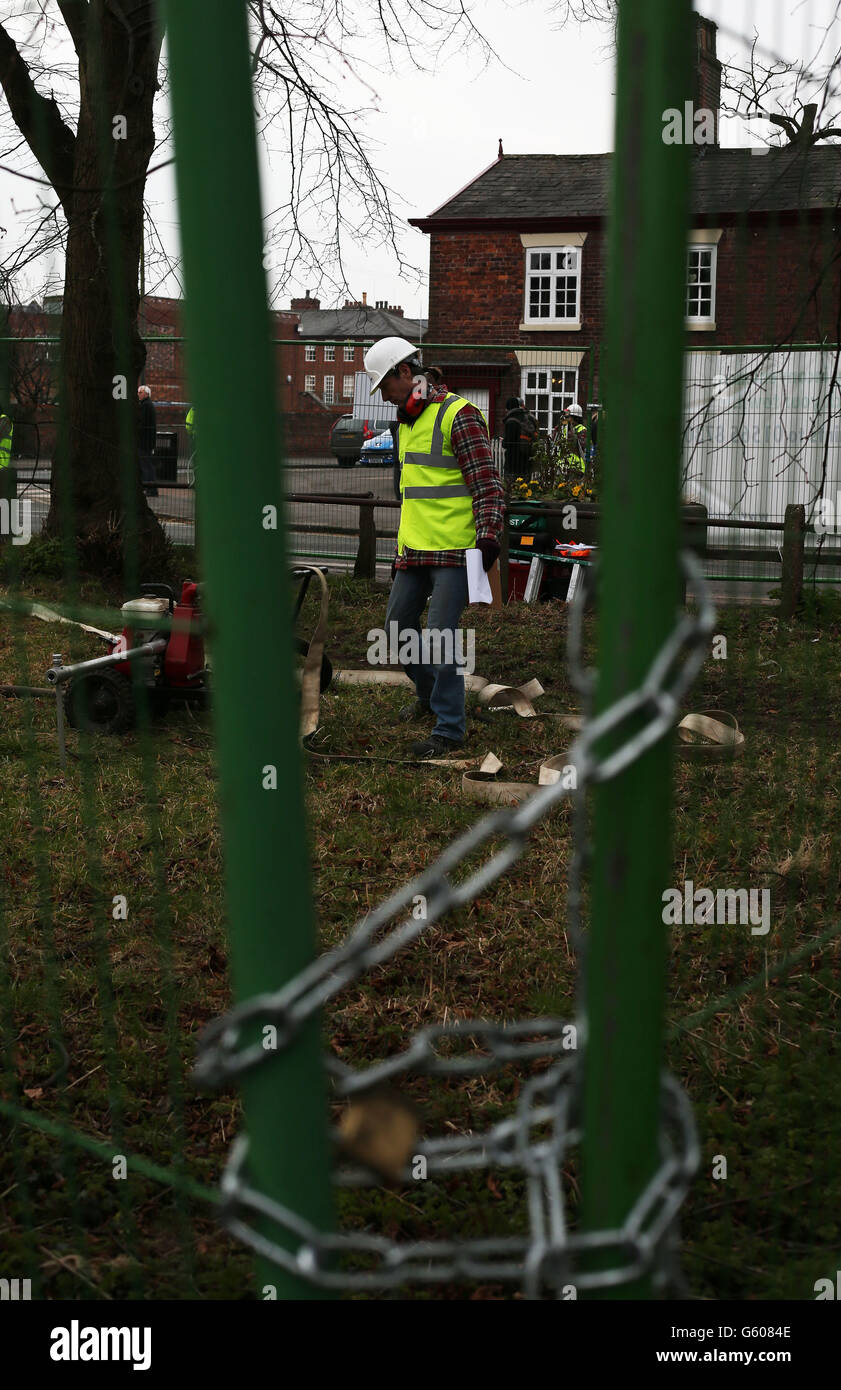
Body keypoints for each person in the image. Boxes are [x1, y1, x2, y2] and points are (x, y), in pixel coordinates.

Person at [364, 336, 504, 760]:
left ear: (406, 373)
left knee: (441, 637)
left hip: (456, 551)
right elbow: (414, 497)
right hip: (415, 551)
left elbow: (487, 484)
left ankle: (449, 729)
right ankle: (429, 696)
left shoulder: (458, 415)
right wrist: (400, 552)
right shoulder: (406, 423)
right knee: (396, 629)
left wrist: (488, 537)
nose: (384, 397)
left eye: (385, 385)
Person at [502, 395, 538, 479]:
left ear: (508, 408)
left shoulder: (511, 421)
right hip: (525, 460)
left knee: (512, 484)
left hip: (513, 462)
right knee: (525, 484)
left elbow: (508, 443)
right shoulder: (526, 417)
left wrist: (503, 441)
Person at [137, 384, 158, 497]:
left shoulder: (145, 405)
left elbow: (142, 423)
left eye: (140, 392)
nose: (138, 394)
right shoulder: (148, 405)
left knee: (146, 466)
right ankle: (151, 488)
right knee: (147, 465)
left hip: (144, 442)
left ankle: (150, 489)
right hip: (148, 441)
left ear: (146, 394)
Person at [561, 402, 587, 473]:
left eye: (568, 417)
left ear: (575, 418)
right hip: (564, 466)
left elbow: (580, 447)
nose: (566, 419)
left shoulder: (582, 430)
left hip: (577, 467)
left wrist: (571, 432)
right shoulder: (566, 429)